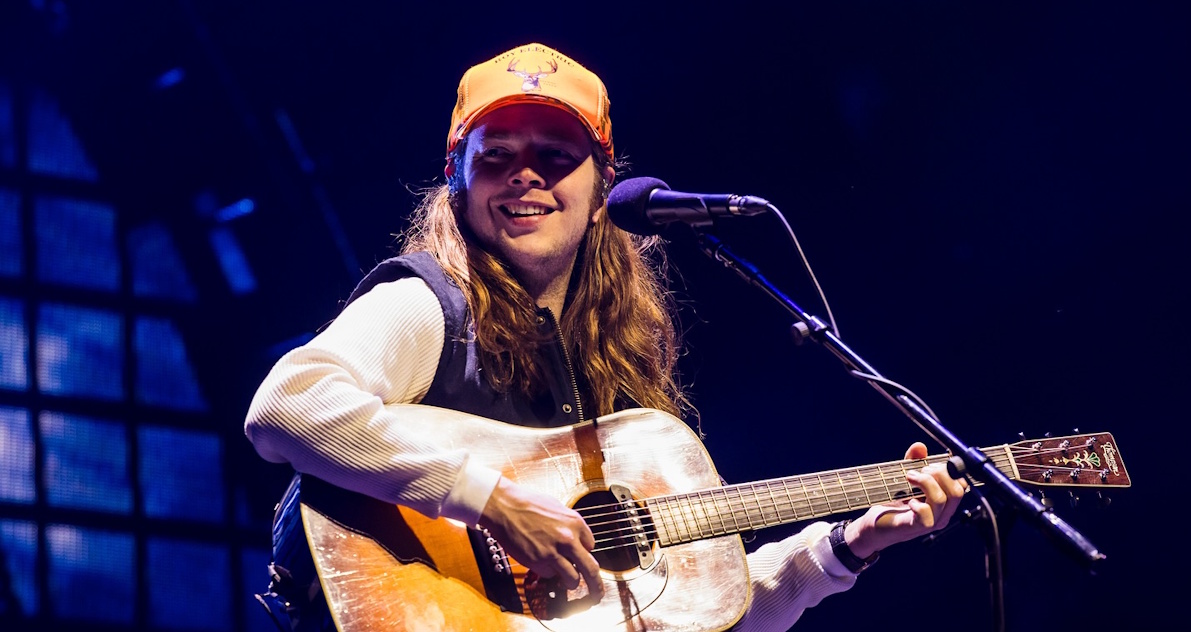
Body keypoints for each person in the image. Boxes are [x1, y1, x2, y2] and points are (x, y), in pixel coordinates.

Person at [244, 42, 967, 631]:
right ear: (457, 183)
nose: (525, 175)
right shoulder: (429, 303)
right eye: (496, 154)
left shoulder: (615, 378)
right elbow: (285, 406)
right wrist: (490, 499)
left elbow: (688, 611)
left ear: (601, 190)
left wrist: (844, 548)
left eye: (556, 155)